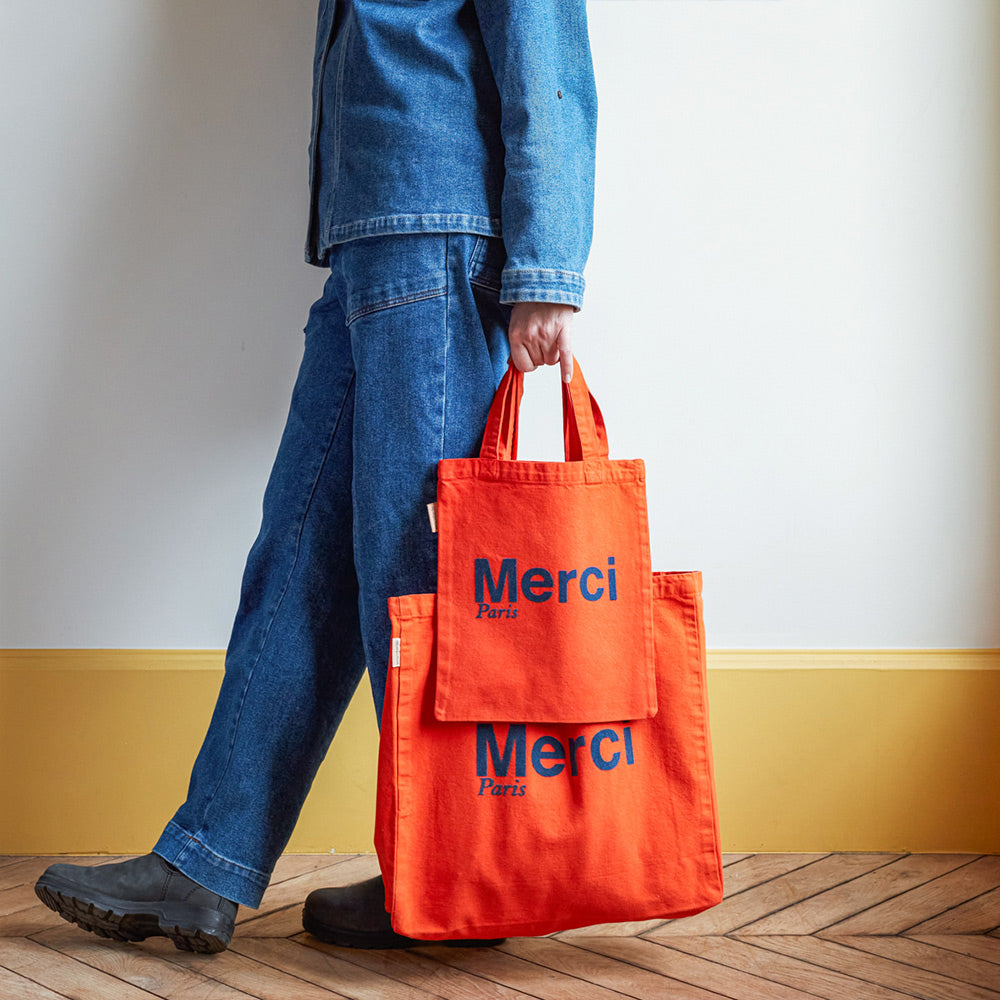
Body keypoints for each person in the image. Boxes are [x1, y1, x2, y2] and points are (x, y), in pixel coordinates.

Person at [35, 0, 597, 953]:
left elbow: (544, 46)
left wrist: (545, 267)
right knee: (301, 560)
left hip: (437, 234)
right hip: (375, 240)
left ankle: (452, 874)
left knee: (416, 585)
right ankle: (204, 860)